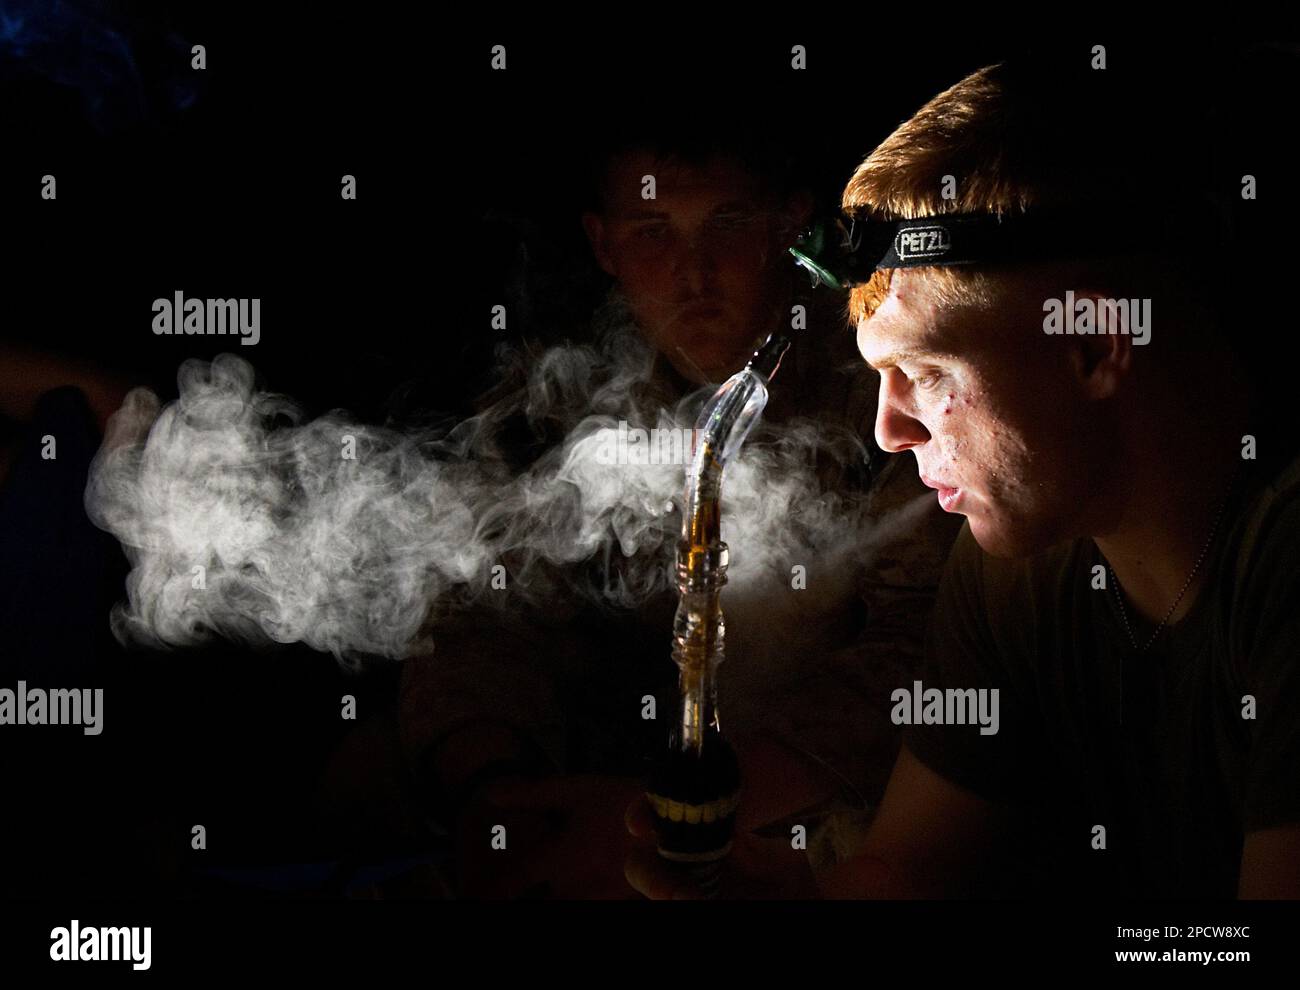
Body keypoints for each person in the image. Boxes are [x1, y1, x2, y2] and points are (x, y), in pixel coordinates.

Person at [627, 54, 1300, 899]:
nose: (889, 428)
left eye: (930, 373)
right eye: (878, 375)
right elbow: (904, 872)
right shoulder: (1014, 568)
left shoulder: (1283, 565)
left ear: (1093, 342)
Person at [386, 127, 963, 897]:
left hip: (811, 824)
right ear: (602, 241)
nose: (694, 273)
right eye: (653, 231)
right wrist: (499, 795)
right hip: (587, 798)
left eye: (727, 222)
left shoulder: (882, 388)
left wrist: (695, 813)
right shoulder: (559, 392)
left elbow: (928, 648)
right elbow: (484, 613)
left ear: (790, 226)